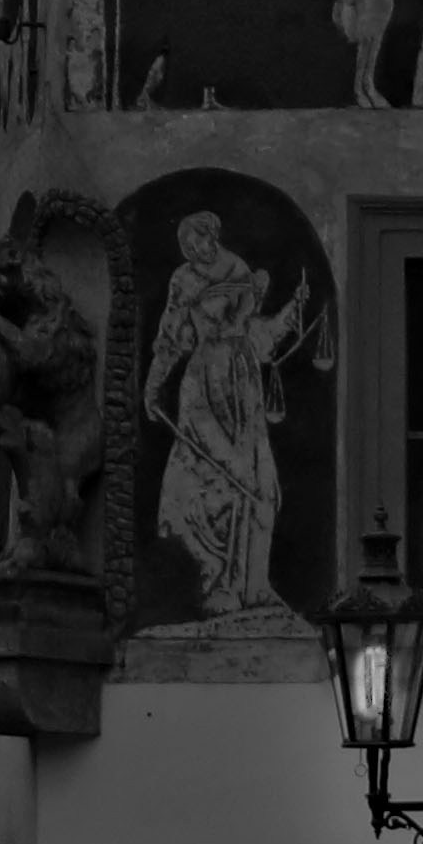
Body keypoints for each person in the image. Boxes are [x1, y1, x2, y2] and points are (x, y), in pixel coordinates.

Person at [142, 213, 318, 621]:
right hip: (206, 380)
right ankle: (217, 581)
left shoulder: (238, 269)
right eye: (190, 245)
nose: (197, 250)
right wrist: (152, 387)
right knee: (216, 477)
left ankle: (254, 585)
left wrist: (294, 308)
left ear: (212, 236)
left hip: (244, 382)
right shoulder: (183, 281)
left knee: (260, 482)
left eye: (201, 241)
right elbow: (170, 339)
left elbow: (255, 333)